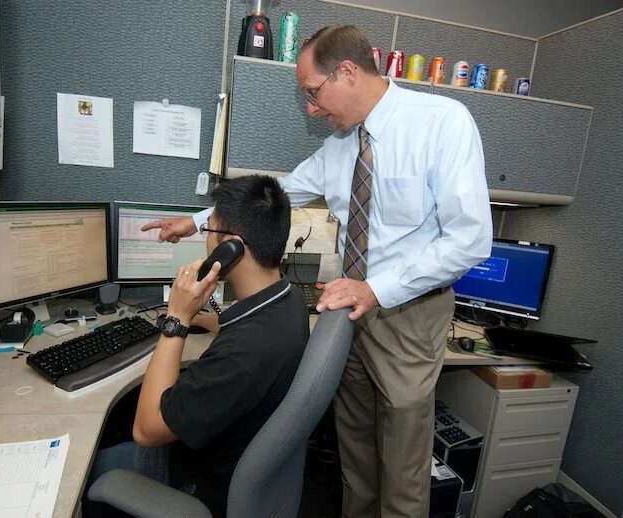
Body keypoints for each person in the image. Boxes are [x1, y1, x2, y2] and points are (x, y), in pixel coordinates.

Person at [141, 24, 492, 517]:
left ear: (347, 73)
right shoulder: (341, 146)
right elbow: (279, 195)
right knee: (356, 456)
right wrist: (196, 220)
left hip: (407, 314)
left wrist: (375, 289)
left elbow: (471, 238)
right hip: (350, 309)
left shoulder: (442, 123)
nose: (310, 108)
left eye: (312, 92)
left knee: (403, 472)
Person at [87, 175, 309, 517]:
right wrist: (211, 319)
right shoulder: (288, 299)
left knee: (89, 468)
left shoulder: (240, 354)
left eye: (210, 232)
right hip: (234, 450)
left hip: (195, 476)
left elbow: (146, 430)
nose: (206, 243)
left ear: (231, 247)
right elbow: (251, 335)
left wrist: (177, 318)